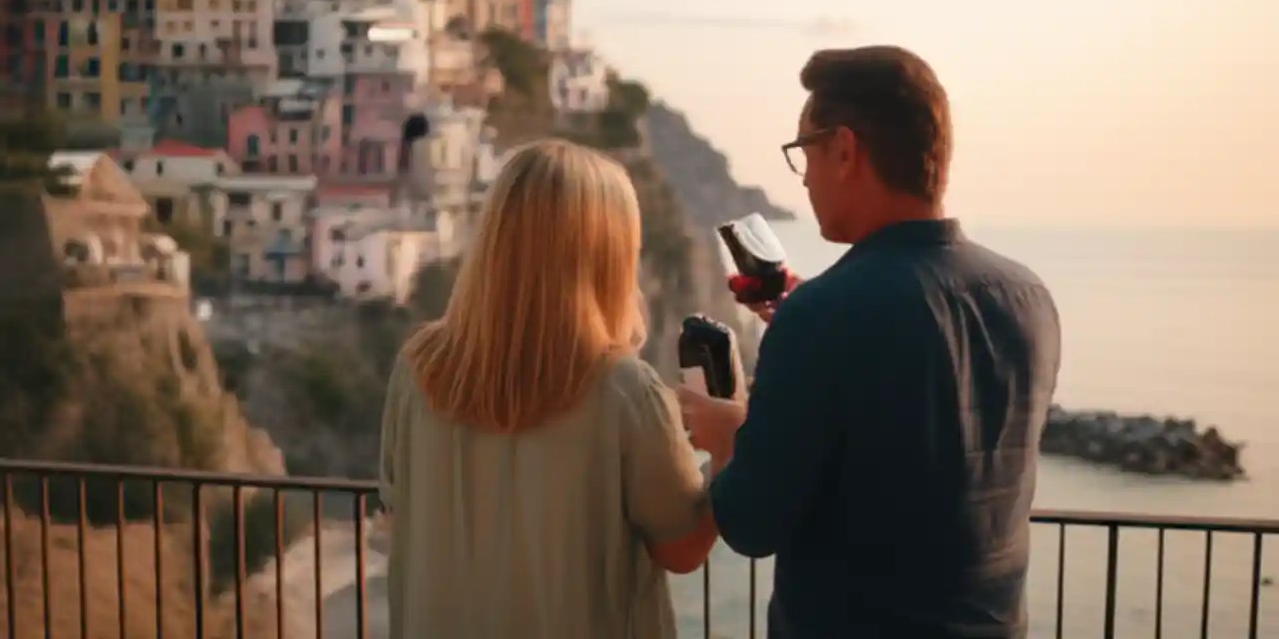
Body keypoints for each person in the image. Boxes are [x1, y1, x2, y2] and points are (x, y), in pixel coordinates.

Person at [678, 46, 1062, 638]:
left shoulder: (823, 316)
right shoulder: (1027, 295)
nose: (804, 175)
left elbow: (752, 524)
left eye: (804, 150)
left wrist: (727, 431)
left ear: (845, 149)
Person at [378, 139, 722, 639]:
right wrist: (729, 448)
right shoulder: (624, 390)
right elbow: (682, 547)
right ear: (608, 252)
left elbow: (396, 507)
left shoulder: (418, 369)